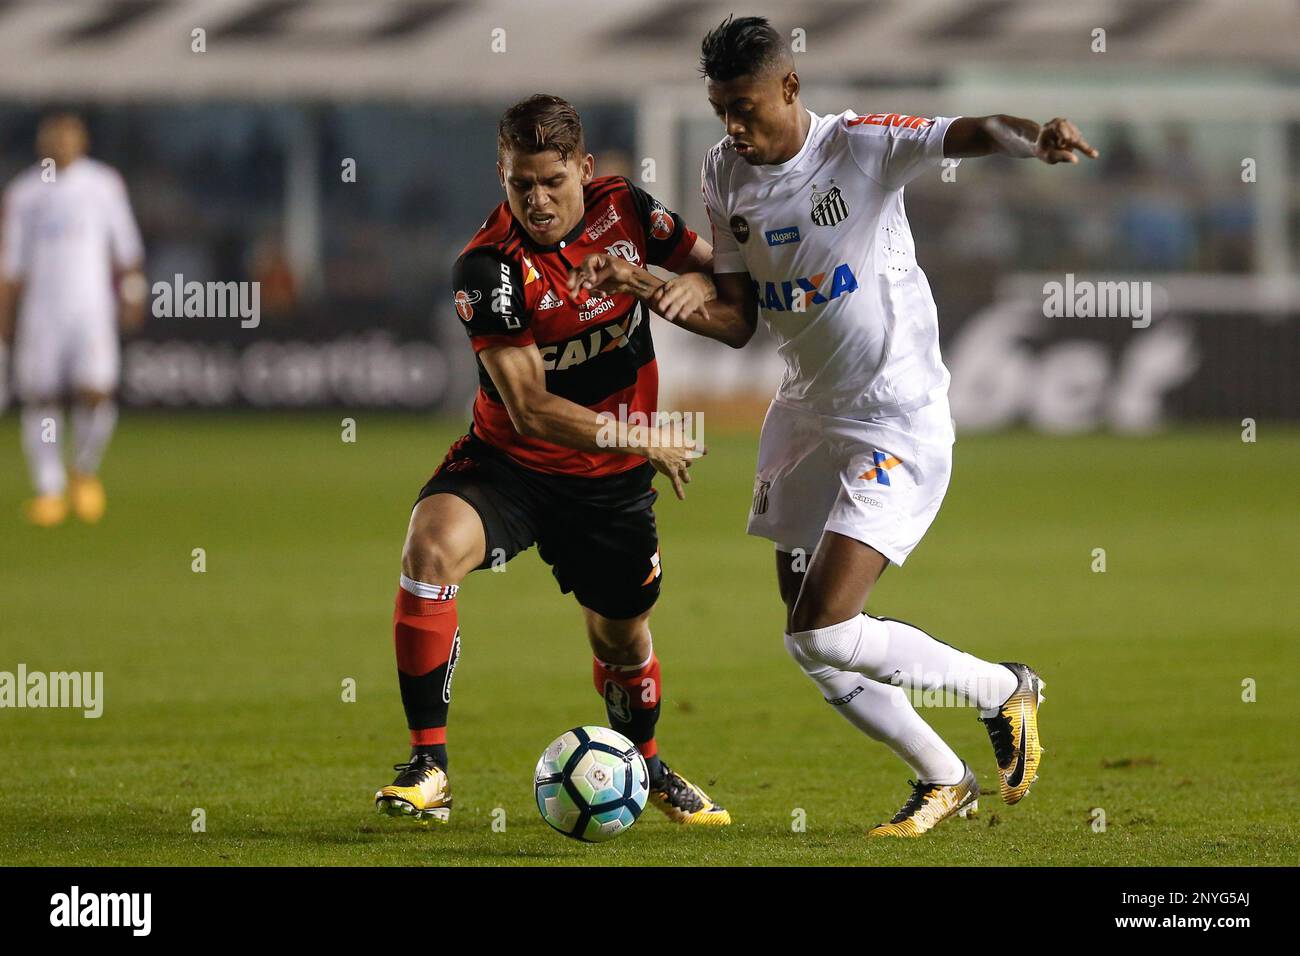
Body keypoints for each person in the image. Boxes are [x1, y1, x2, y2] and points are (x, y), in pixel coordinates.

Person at [573, 16, 1098, 837]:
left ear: (789, 86)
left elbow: (970, 131)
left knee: (825, 626)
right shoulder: (724, 174)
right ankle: (942, 776)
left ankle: (1002, 689)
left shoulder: (858, 145)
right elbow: (739, 318)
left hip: (896, 420)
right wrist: (658, 290)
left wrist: (1038, 140)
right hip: (806, 416)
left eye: (745, 107)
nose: (734, 128)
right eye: (720, 112)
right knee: (808, 638)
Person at [374, 94, 730, 827]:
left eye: (551, 181)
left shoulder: (627, 211)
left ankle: (650, 766)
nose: (536, 200)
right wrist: (643, 439)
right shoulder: (488, 268)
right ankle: (429, 766)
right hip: (510, 465)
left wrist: (681, 282)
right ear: (500, 176)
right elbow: (530, 408)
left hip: (608, 490)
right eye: (519, 183)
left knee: (623, 640)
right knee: (429, 547)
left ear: (584, 169)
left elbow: (728, 288)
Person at [1, 112, 145, 526]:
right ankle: (48, 489)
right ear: (41, 143)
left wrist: (132, 296)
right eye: (53, 137)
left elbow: (128, 251)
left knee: (96, 392)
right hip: (42, 313)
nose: (60, 144)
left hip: (91, 309)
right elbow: (11, 266)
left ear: (82, 141)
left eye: (68, 137)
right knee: (41, 397)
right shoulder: (25, 192)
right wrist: (5, 318)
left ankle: (83, 469)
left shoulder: (102, 185)